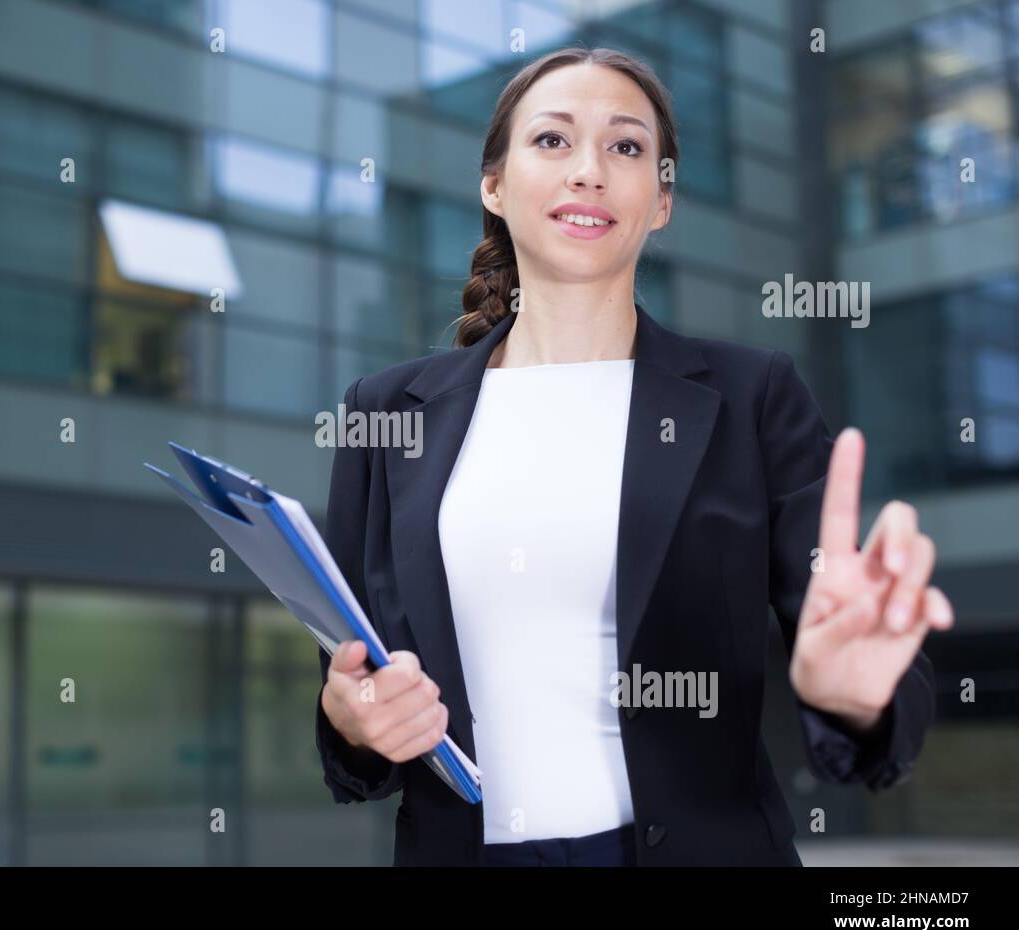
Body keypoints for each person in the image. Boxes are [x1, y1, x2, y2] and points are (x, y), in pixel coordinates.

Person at [315, 46, 953, 867]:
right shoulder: (385, 413)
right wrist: (352, 718)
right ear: (494, 186)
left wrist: (857, 697)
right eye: (552, 141)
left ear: (661, 201)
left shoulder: (752, 399)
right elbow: (348, 698)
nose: (590, 171)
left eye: (626, 147)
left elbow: (861, 660)